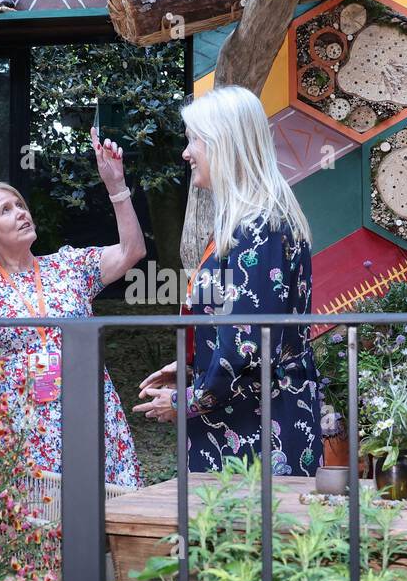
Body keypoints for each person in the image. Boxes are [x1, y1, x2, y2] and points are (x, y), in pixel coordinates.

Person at [134, 85, 322, 476]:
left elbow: (245, 349)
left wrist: (184, 400)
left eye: (194, 140)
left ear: (224, 143)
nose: (186, 153)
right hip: (246, 421)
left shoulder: (259, 227)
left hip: (255, 433)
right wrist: (193, 366)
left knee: (247, 536)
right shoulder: (252, 221)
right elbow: (240, 331)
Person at [0, 128, 145, 487]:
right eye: (6, 210)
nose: (21, 213)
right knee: (44, 531)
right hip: (26, 434)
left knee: (107, 524)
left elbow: (131, 251)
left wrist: (116, 186)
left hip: (90, 415)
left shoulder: (68, 267)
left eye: (21, 205)